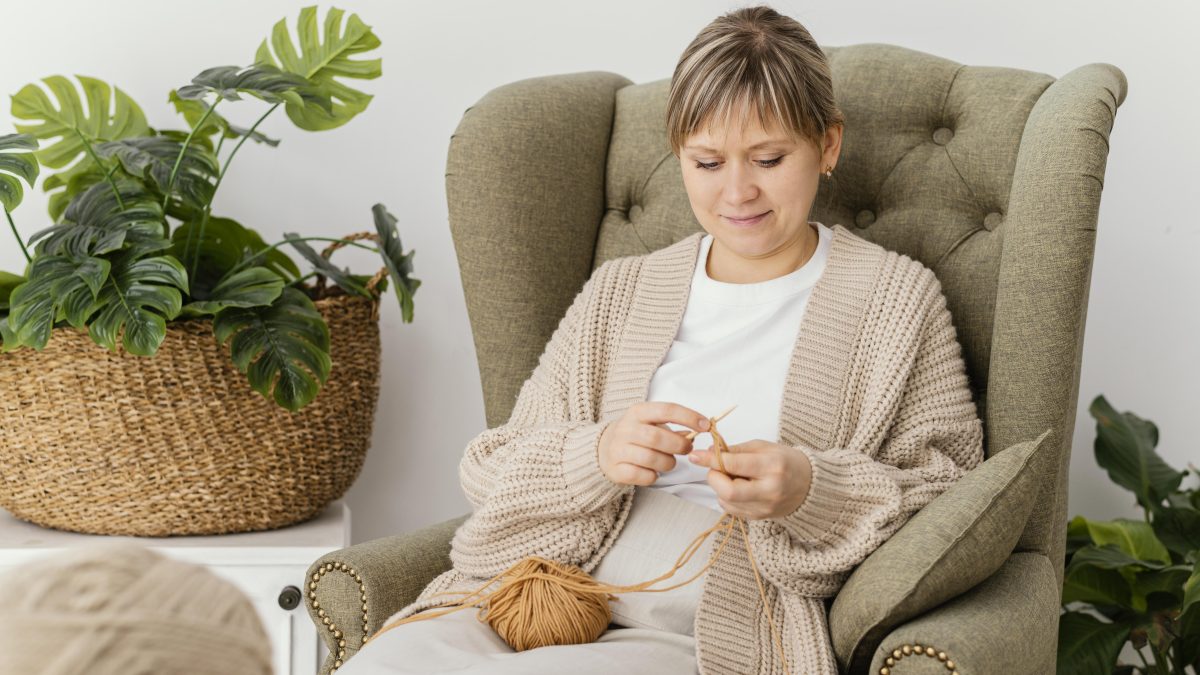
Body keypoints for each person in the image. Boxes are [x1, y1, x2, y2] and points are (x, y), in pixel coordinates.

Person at [341, 4, 984, 674]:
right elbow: (492, 466)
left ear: (827, 146)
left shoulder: (894, 299)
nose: (737, 191)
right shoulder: (623, 289)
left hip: (710, 619)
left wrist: (809, 490)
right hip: (540, 591)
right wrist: (597, 455)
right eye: (707, 162)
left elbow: (949, 494)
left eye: (768, 158)